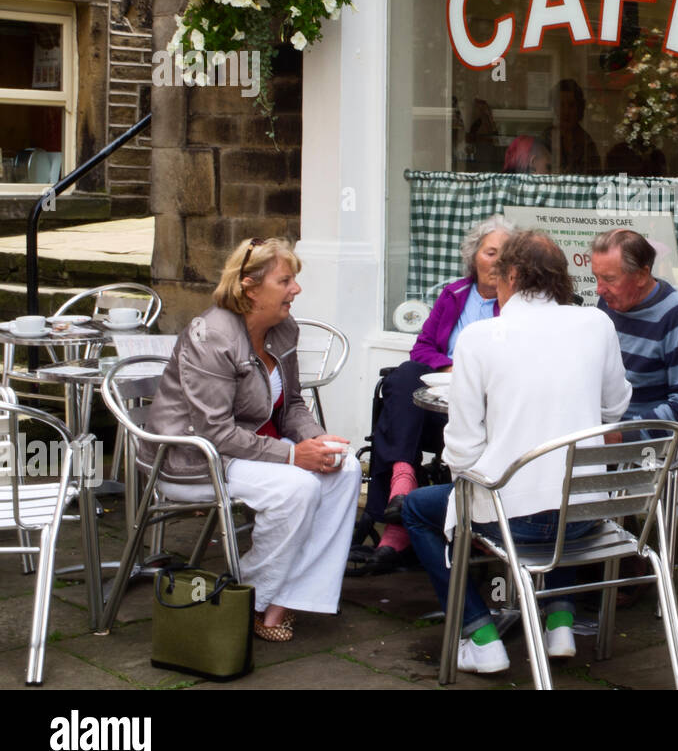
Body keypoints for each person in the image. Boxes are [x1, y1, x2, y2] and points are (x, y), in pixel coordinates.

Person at [402, 230, 632, 673]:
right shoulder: (596, 324)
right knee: (558, 479)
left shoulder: (480, 337)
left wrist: (477, 481)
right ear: (560, 279)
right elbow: (616, 406)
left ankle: (482, 637)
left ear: (510, 275)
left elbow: (463, 449)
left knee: (415, 509)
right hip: (588, 519)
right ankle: (560, 622)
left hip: (517, 526)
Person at [144, 237, 361, 642]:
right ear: (249, 286)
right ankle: (250, 595)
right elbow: (215, 431)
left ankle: (286, 599)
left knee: (345, 468)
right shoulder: (211, 336)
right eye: (285, 280)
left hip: (248, 449)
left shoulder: (282, 329)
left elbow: (292, 403)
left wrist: (316, 439)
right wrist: (295, 455)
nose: (296, 289)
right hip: (194, 458)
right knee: (296, 488)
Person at [350, 215, 514, 575]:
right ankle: (403, 478)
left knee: (395, 414)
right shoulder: (453, 294)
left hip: (485, 410)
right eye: (490, 252)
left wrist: (470, 374)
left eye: (506, 255)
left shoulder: (516, 303)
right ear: (474, 256)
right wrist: (448, 368)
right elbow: (421, 349)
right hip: (437, 404)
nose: (497, 262)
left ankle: (397, 526)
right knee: (404, 377)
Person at [590, 228, 678, 436]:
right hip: (603, 429)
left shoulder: (677, 315)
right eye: (596, 277)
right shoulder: (608, 303)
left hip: (648, 448)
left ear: (642, 275)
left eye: (609, 278)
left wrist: (623, 436)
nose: (599, 289)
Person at [543, 78, 602, 174]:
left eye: (571, 105)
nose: (566, 111)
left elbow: (595, 177)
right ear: (554, 108)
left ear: (579, 108)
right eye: (561, 105)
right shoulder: (546, 138)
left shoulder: (587, 142)